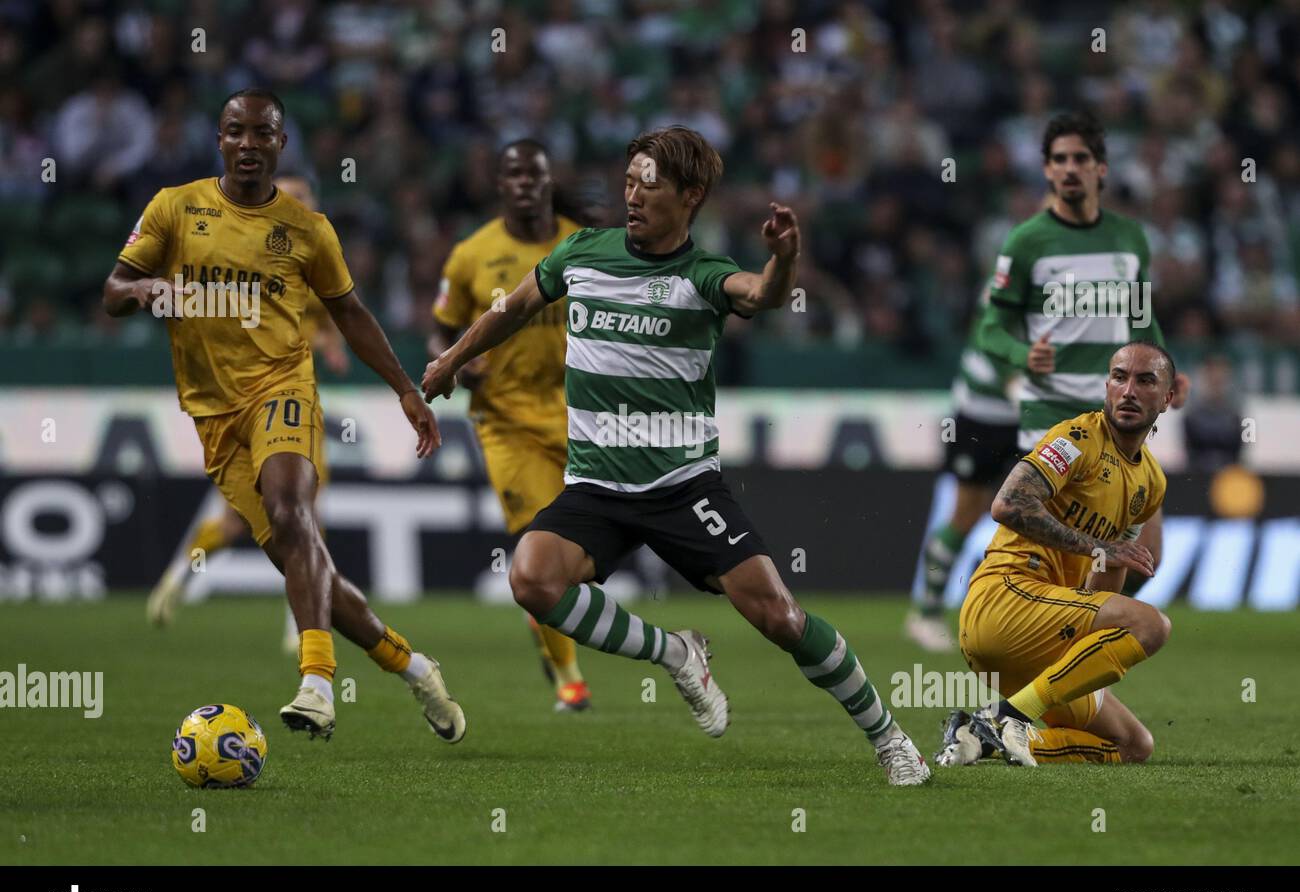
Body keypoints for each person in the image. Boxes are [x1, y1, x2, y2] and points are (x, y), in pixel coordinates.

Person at [423, 126, 931, 785]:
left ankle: (891, 738)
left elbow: (764, 294)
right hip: (597, 487)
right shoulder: (582, 251)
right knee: (532, 578)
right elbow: (514, 308)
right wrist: (453, 360)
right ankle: (674, 651)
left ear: (691, 196)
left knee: (779, 615)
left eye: (650, 184)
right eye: (628, 181)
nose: (632, 195)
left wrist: (784, 260)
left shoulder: (704, 275)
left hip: (683, 487)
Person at [102, 88, 465, 744]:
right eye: (235, 131)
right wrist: (150, 289)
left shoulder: (307, 228)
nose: (248, 143)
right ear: (219, 140)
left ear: (279, 143)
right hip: (214, 414)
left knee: (294, 511)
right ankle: (414, 666)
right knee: (307, 557)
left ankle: (316, 684)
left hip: (283, 387)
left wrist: (406, 390)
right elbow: (113, 292)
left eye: (261, 133)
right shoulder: (174, 208)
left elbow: (351, 313)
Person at [976, 111, 1189, 590]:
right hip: (1052, 416)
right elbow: (991, 329)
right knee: (1054, 561)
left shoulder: (1130, 239)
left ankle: (1073, 651)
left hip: (1117, 416)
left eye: (1080, 158)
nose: (1069, 168)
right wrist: (1022, 353)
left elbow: (1141, 321)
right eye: (1058, 160)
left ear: (1101, 168)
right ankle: (1046, 646)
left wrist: (1166, 369)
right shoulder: (1026, 241)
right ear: (1047, 170)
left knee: (1142, 556)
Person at [939, 342, 1174, 767]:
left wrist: (1109, 559)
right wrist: (1099, 546)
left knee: (1133, 746)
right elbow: (1007, 505)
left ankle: (983, 736)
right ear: (1106, 385)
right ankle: (1010, 715)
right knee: (1152, 625)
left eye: (1145, 380)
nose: (1129, 391)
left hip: (1046, 638)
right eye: (1119, 377)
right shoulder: (1076, 438)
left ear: (1168, 398)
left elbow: (1102, 578)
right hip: (1005, 600)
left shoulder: (1150, 481)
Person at [146, 173, 349, 658]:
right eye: (291, 197)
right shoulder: (245, 259)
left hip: (282, 401)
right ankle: (292, 620)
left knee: (287, 517)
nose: (296, 207)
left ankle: (185, 576)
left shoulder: (309, 260)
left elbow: (330, 324)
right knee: (278, 519)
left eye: (303, 198)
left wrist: (329, 344)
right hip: (252, 399)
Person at [430, 139, 593, 711]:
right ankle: (570, 678)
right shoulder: (471, 255)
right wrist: (459, 362)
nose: (524, 182)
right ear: (500, 184)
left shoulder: (583, 244)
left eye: (535, 174)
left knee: (578, 566)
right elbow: (440, 329)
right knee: (539, 544)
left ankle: (543, 619)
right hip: (507, 421)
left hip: (584, 417)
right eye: (513, 173)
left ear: (550, 182)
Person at [905, 304, 1021, 651]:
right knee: (965, 515)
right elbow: (990, 334)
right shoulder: (1013, 272)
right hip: (980, 416)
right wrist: (1016, 386)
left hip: (1025, 415)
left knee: (1035, 512)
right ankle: (926, 613)